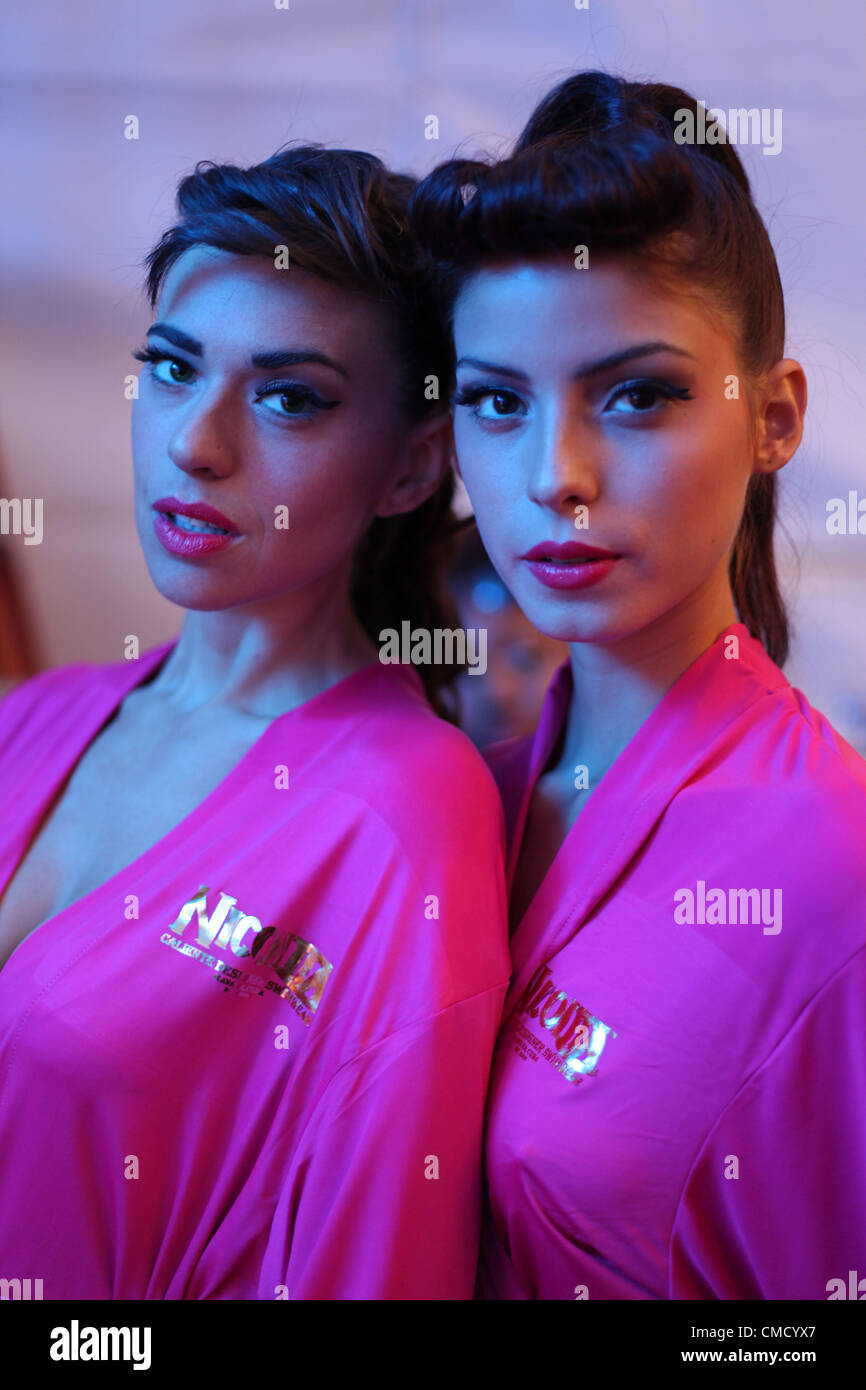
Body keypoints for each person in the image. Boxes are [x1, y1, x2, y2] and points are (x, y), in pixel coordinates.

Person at [0, 145, 510, 1300]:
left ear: (411, 466)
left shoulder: (402, 811)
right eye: (173, 370)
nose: (196, 441)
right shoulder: (33, 717)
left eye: (288, 397)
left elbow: (376, 1264)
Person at [410, 71, 866, 1300]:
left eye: (637, 395)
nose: (554, 474)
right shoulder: (469, 798)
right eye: (496, 402)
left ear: (771, 418)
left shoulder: (829, 867)